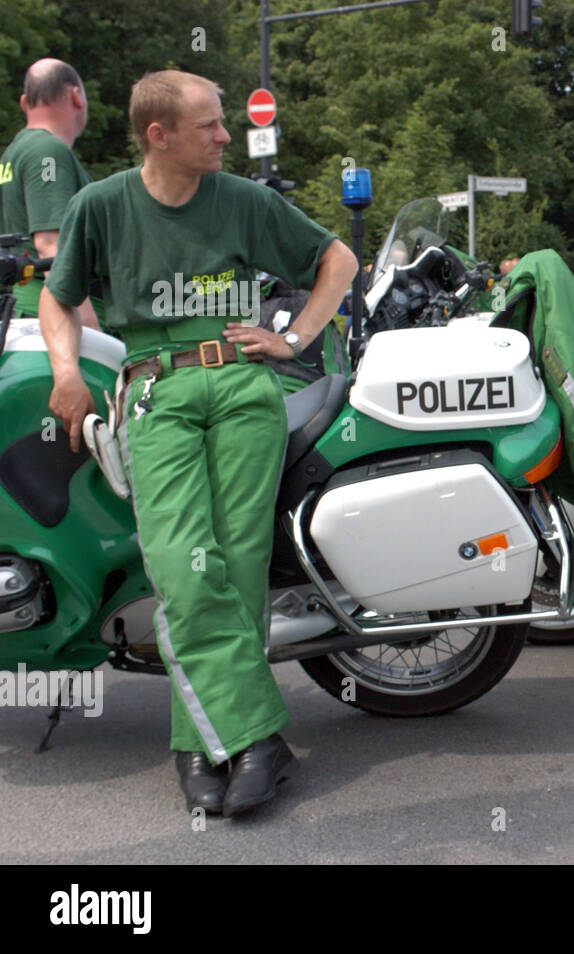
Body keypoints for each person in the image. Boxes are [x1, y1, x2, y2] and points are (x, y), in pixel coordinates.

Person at [40, 70, 357, 815]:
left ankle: (202, 742)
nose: (225, 136)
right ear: (160, 135)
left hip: (245, 387)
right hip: (156, 390)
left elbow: (336, 260)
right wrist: (65, 370)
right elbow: (57, 299)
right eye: (210, 125)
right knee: (184, 567)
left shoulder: (246, 201)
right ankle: (255, 737)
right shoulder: (102, 206)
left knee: (240, 564)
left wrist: (295, 337)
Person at [0, 59, 98, 327]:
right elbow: (51, 246)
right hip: (49, 315)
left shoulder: (13, 153)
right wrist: (90, 327)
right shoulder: (47, 152)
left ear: (23, 103)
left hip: (23, 311)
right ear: (76, 96)